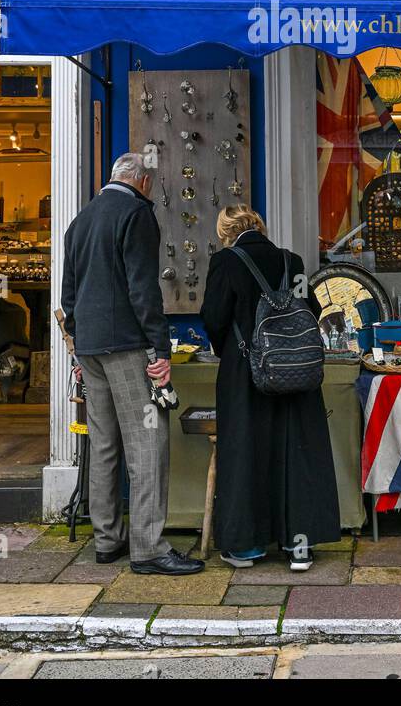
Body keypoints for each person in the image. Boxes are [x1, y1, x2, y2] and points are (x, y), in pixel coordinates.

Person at [61, 151, 203, 576]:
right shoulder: (137, 215)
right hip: (126, 346)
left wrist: (78, 341)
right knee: (146, 444)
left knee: (104, 445)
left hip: (89, 348)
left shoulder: (80, 221)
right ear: (142, 183)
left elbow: (68, 295)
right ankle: (148, 548)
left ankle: (107, 540)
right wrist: (160, 350)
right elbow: (144, 288)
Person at [200, 204, 341, 571]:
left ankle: (247, 547)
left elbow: (214, 318)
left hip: (246, 374)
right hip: (296, 372)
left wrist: (228, 350)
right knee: (297, 453)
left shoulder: (226, 263)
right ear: (259, 226)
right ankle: (299, 547)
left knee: (246, 451)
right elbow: (311, 308)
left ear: (226, 232)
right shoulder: (291, 261)